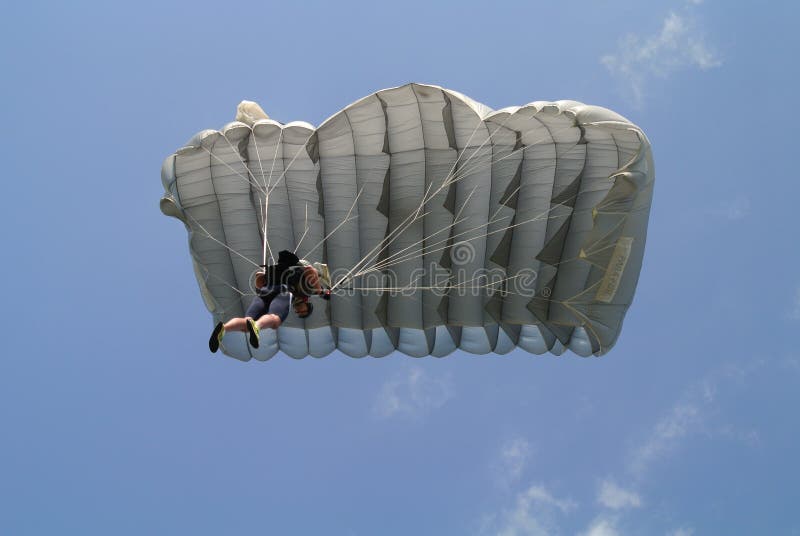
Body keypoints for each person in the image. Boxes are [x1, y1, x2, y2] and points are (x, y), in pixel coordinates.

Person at [209, 250, 330, 353]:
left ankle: (224, 328)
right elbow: (309, 269)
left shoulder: (282, 272)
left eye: (298, 313)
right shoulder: (307, 290)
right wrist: (320, 292)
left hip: (265, 291)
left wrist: (264, 283)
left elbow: (258, 276)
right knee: (275, 319)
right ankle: (257, 326)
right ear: (307, 305)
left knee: (247, 324)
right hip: (284, 291)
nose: (298, 311)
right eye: (302, 312)